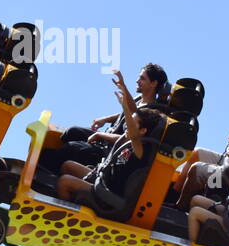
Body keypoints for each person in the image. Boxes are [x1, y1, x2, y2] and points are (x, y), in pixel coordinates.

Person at [39, 64, 167, 172]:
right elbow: (124, 114)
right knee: (72, 132)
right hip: (106, 138)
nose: (137, 81)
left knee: (71, 148)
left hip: (110, 150)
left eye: (142, 79)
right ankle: (54, 161)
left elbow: (131, 138)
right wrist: (105, 119)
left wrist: (101, 135)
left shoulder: (151, 113)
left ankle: (46, 167)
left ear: (153, 83)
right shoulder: (138, 100)